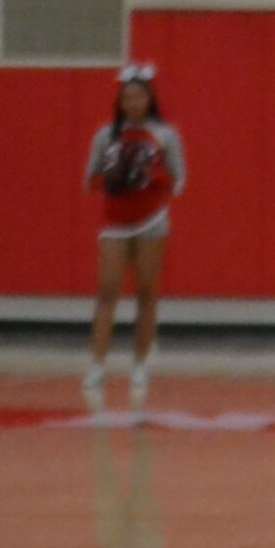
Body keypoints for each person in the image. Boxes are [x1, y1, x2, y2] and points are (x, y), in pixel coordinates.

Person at [84, 62, 187, 399]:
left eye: (139, 96)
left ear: (150, 98)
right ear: (120, 100)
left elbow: (180, 180)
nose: (133, 102)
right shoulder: (106, 134)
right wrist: (113, 177)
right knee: (107, 292)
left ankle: (140, 365)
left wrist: (152, 177)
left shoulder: (165, 134)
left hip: (151, 222)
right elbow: (89, 180)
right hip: (115, 224)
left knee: (146, 293)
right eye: (127, 97)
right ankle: (97, 365)